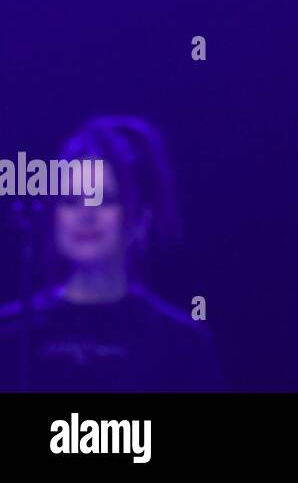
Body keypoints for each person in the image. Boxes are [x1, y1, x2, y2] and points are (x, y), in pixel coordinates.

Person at [0, 116, 223, 392]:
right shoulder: (11, 335)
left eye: (105, 199)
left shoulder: (182, 345)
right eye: (71, 200)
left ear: (141, 219)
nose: (86, 215)